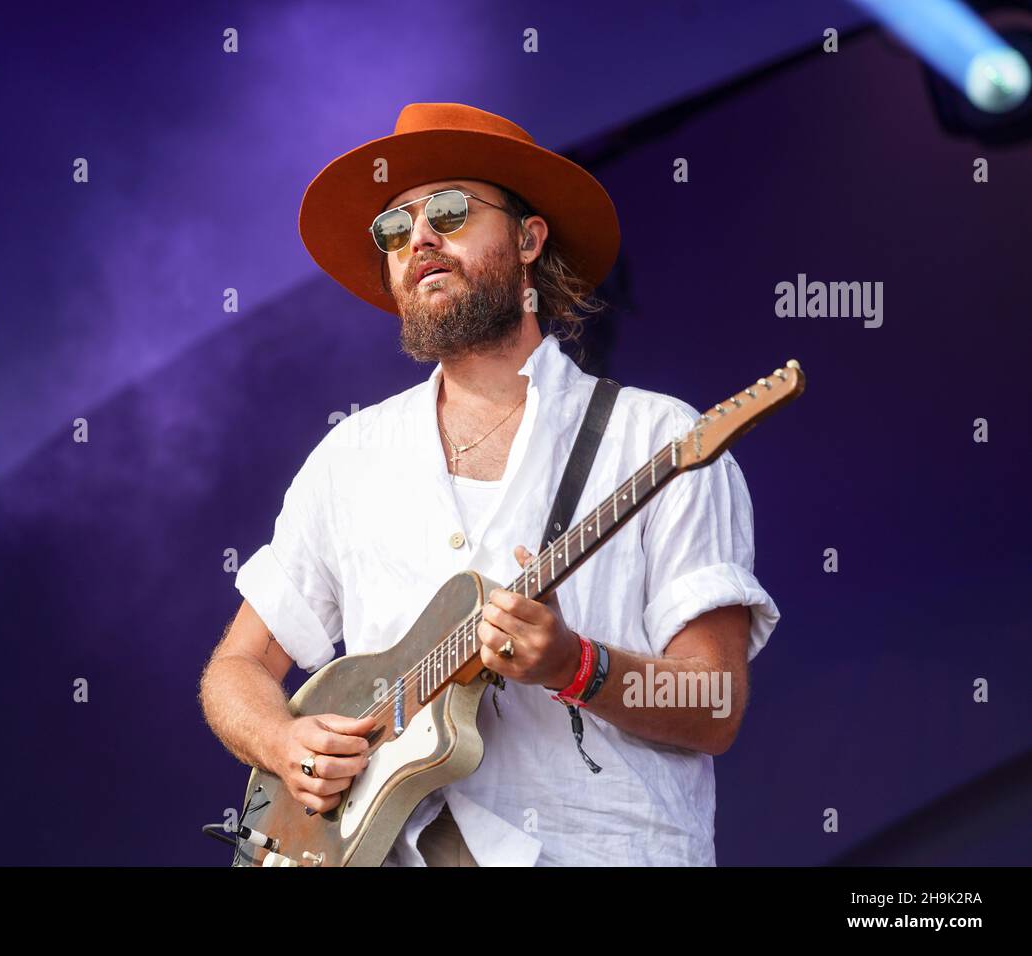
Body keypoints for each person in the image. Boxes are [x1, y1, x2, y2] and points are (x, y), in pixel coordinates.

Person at [199, 103, 780, 866]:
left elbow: (713, 706)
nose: (421, 239)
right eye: (394, 229)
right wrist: (285, 742)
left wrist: (575, 665)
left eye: (448, 210)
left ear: (530, 237)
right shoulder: (351, 456)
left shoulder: (658, 438)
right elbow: (236, 669)